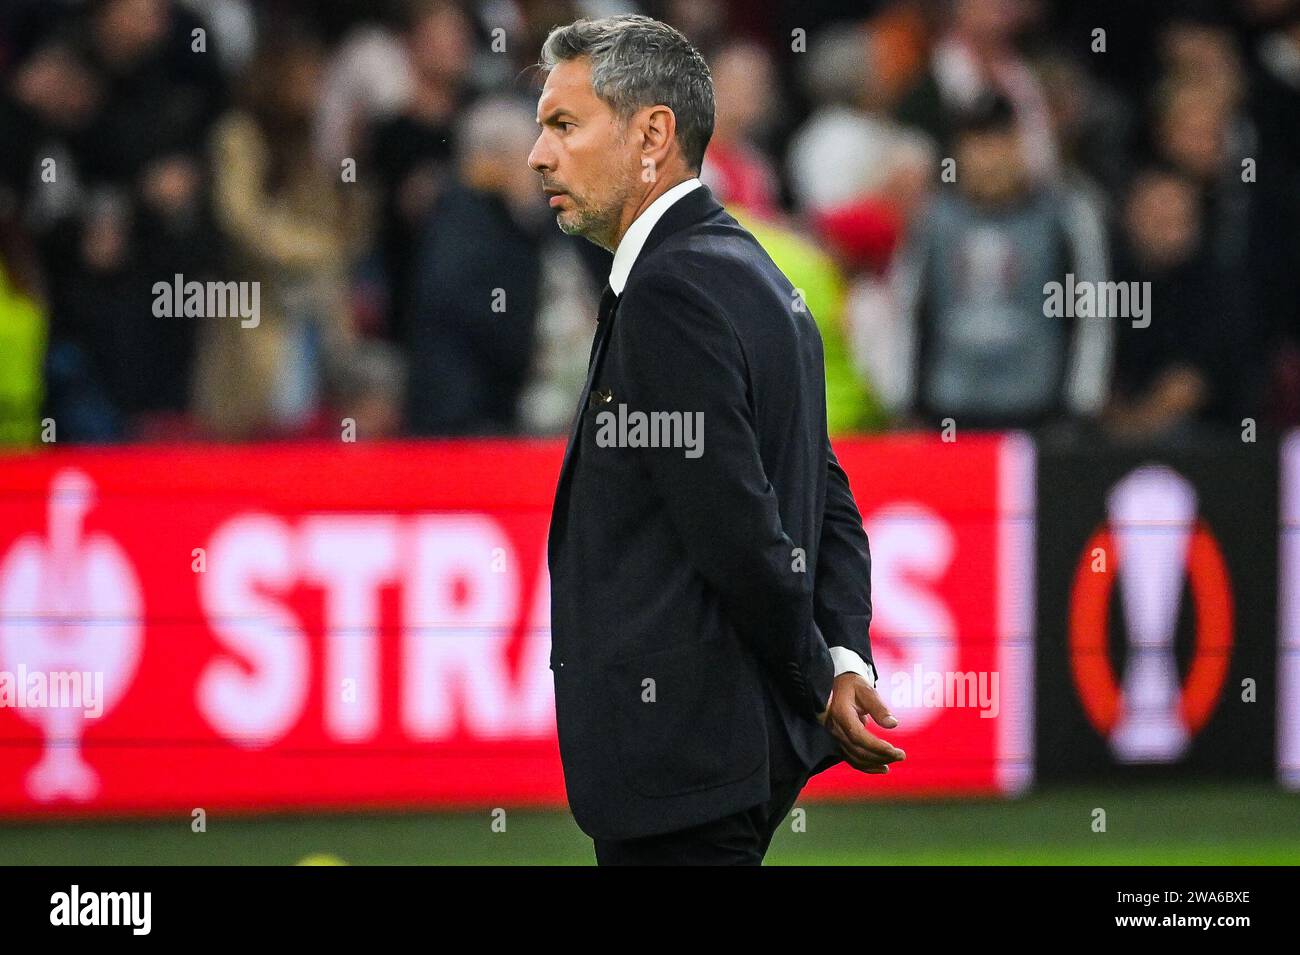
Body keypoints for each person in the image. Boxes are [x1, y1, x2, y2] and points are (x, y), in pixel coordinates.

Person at [529, 14, 903, 866]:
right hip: (723, 759)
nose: (537, 155)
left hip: (681, 763)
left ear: (652, 134)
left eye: (562, 124)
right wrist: (842, 655)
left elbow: (738, 527)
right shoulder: (758, 273)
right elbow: (827, 491)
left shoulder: (668, 291)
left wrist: (816, 679)